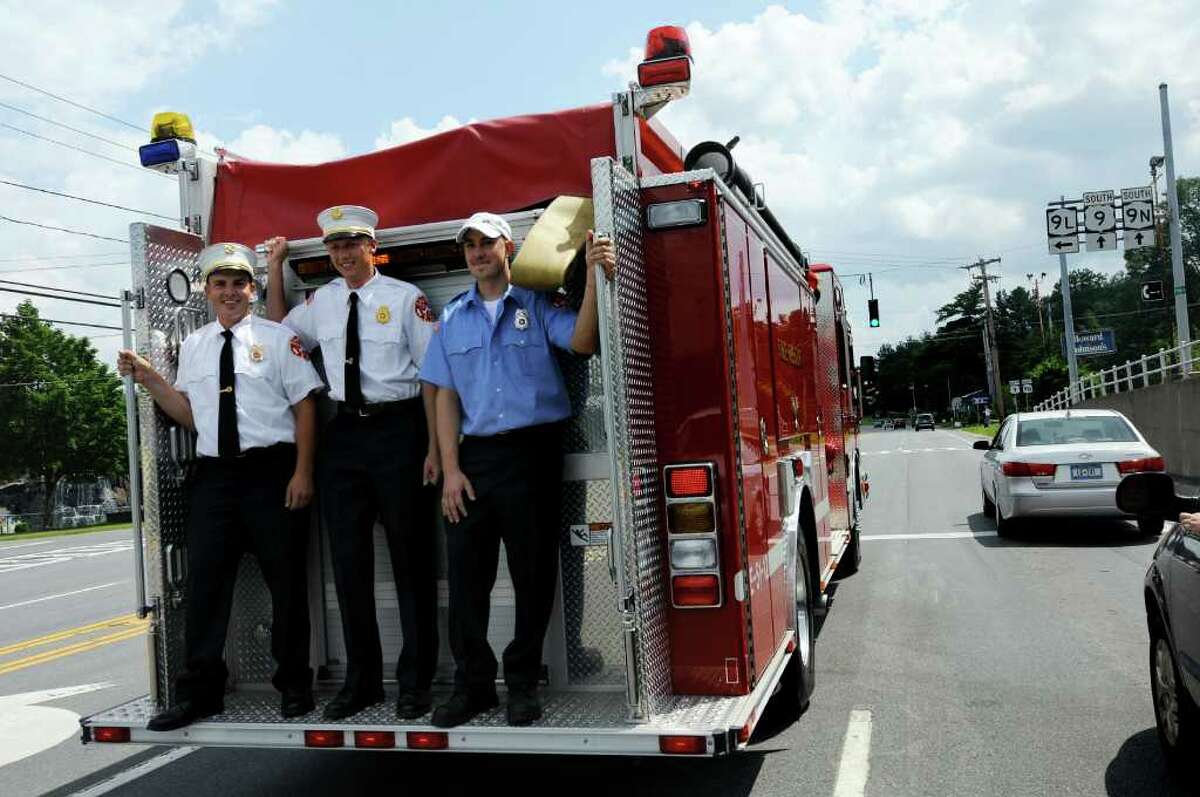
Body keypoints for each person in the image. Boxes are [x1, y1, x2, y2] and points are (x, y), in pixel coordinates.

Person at [419, 211, 615, 727]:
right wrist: (451, 469)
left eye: (488, 243)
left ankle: (523, 684)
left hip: (533, 454)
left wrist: (594, 276)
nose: (478, 253)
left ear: (509, 248)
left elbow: (582, 342)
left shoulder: (537, 303)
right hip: (475, 460)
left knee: (533, 575)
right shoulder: (452, 317)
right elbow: (445, 396)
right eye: (470, 246)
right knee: (466, 580)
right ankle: (474, 686)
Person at [118, 242, 324, 731]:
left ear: (251, 289)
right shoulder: (195, 346)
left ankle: (294, 685)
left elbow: (306, 407)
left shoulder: (279, 339)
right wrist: (150, 379)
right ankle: (201, 692)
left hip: (272, 472)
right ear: (208, 291)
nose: (230, 292)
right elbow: (192, 415)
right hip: (216, 476)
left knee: (287, 585)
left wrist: (303, 472)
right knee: (205, 585)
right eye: (220, 284)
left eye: (238, 284)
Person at [264, 205, 440, 721]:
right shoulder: (322, 302)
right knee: (349, 567)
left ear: (371, 246)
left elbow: (434, 375)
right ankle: (362, 682)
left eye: (351, 245)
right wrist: (274, 271)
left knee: (413, 564)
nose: (342, 255)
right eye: (334, 248)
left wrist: (433, 446)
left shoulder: (405, 299)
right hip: (343, 434)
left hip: (400, 430)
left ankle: (415, 685)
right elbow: (279, 333)